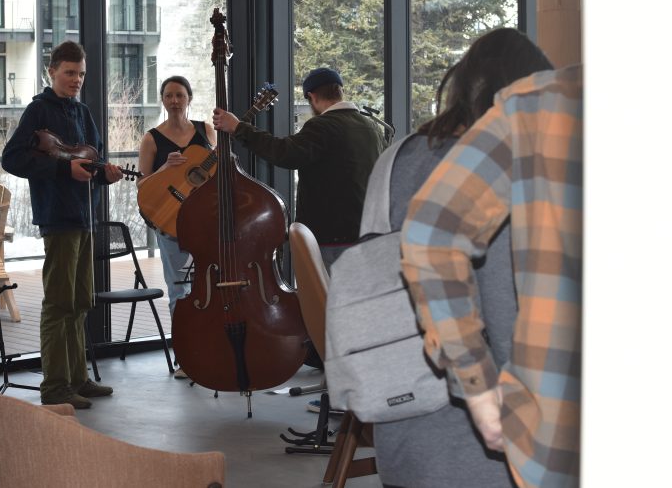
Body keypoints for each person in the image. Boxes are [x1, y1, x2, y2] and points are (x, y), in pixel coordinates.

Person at [370, 27, 554, 488]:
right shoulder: (506, 168)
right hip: (487, 447)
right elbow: (508, 314)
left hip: (399, 423)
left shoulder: (396, 158)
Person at [401, 63, 582, 488]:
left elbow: (430, 234)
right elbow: (500, 302)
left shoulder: (539, 107)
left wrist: (479, 386)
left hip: (546, 424)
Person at [1, 40, 123, 409]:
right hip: (57, 217)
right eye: (70, 73)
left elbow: (92, 165)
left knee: (81, 301)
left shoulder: (83, 112)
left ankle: (77, 378)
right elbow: (12, 159)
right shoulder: (38, 111)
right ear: (52, 71)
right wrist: (62, 168)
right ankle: (55, 387)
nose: (76, 79)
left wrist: (106, 175)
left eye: (81, 74)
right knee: (59, 303)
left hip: (85, 218)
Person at [211, 66, 385, 268]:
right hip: (367, 233)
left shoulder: (322, 125)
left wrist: (239, 128)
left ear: (312, 97)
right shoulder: (372, 128)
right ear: (340, 90)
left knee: (325, 290)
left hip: (331, 238)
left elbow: (284, 153)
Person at [136, 75, 217, 378]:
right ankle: (186, 356)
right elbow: (142, 184)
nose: (174, 101)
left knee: (210, 287)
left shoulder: (206, 131)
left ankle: (212, 351)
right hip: (172, 224)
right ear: (162, 99)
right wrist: (165, 168)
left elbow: (215, 171)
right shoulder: (151, 139)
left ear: (189, 98)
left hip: (207, 222)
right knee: (180, 291)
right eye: (169, 95)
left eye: (179, 95)